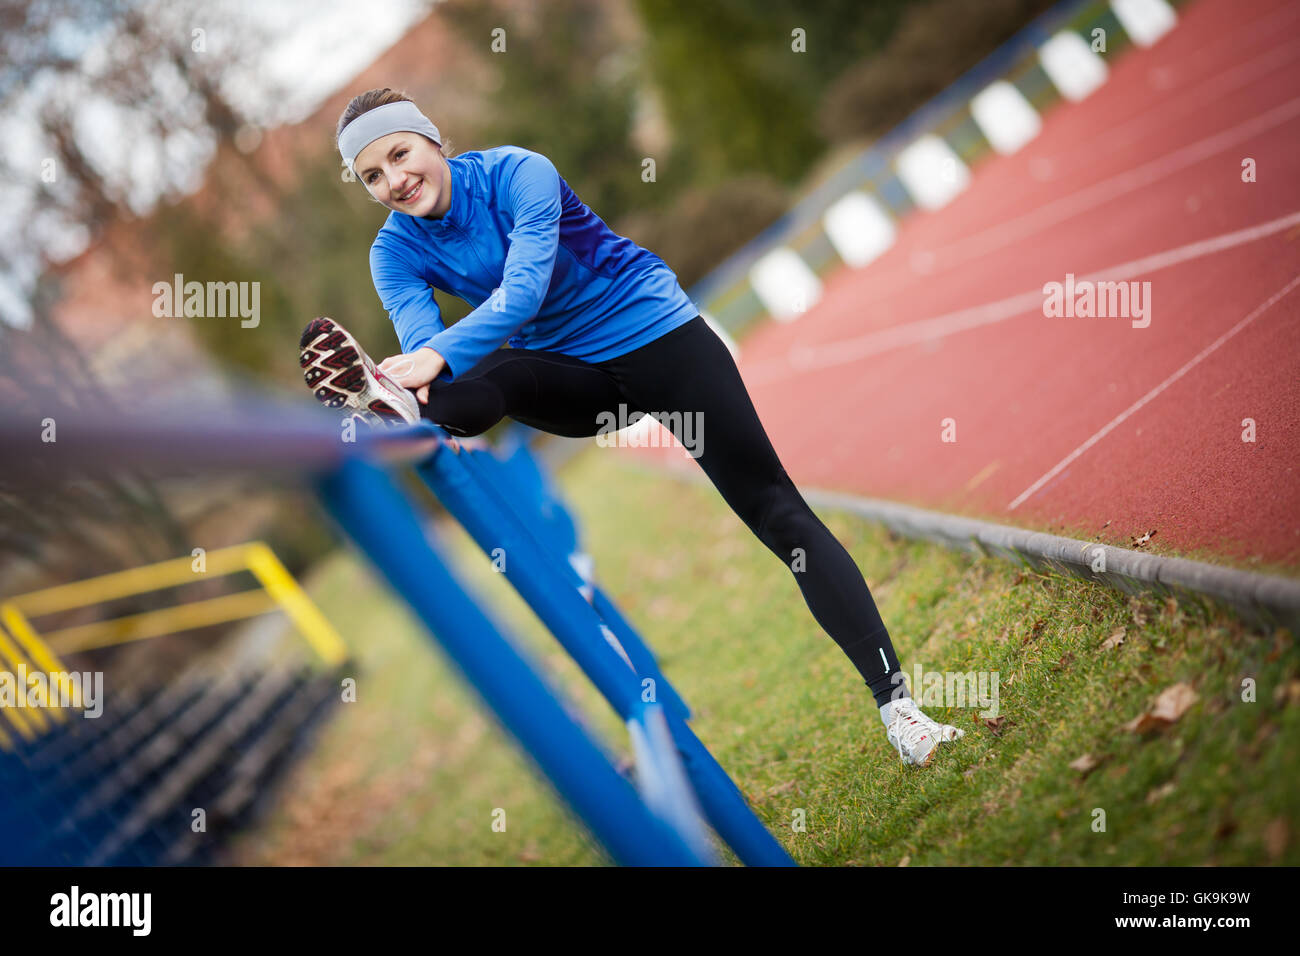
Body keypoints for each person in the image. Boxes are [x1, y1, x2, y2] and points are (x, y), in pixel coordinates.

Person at [300, 87, 965, 766]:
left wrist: (434, 359)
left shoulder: (517, 172)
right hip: (580, 384)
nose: (393, 181)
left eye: (399, 154)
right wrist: (424, 378)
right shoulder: (392, 254)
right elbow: (428, 351)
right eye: (372, 176)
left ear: (432, 137)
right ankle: (391, 405)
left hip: (658, 340)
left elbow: (523, 290)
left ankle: (898, 708)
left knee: (777, 514)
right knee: (464, 386)